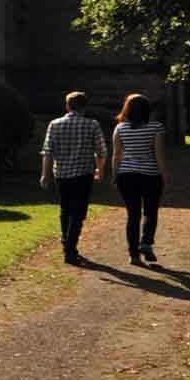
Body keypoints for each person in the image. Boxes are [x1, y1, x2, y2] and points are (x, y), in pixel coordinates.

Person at [39, 90, 108, 264]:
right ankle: (70, 248)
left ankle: (65, 240)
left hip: (62, 173)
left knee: (65, 209)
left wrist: (44, 174)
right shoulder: (92, 125)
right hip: (83, 174)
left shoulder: (54, 124)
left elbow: (48, 152)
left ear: (67, 105)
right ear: (84, 106)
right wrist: (100, 170)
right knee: (79, 212)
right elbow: (101, 151)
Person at [113, 92, 169, 265]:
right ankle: (146, 243)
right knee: (151, 211)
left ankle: (133, 254)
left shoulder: (120, 128)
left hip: (127, 175)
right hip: (150, 175)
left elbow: (116, 155)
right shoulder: (156, 127)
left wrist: (115, 175)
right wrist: (164, 175)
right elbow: (159, 155)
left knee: (133, 214)